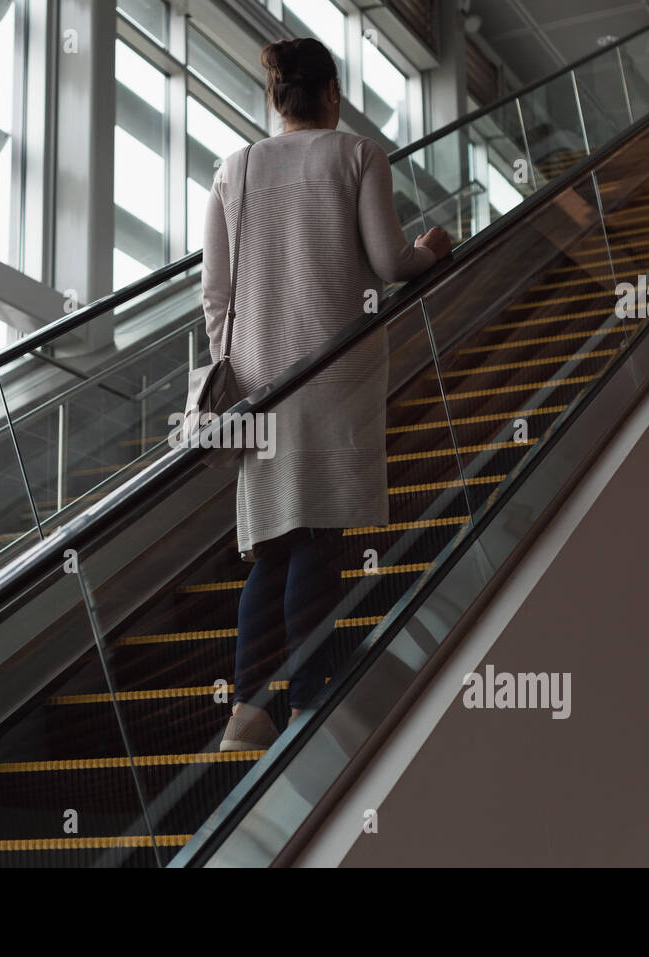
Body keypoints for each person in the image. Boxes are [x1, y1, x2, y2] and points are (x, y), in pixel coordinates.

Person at [200, 37, 451, 751]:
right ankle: (311, 694)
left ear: (275, 99)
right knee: (319, 528)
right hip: (334, 367)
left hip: (259, 384)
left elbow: (215, 295)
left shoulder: (233, 170)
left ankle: (247, 708)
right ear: (332, 95)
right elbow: (389, 261)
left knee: (274, 541)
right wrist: (435, 248)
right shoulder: (357, 154)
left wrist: (237, 367)